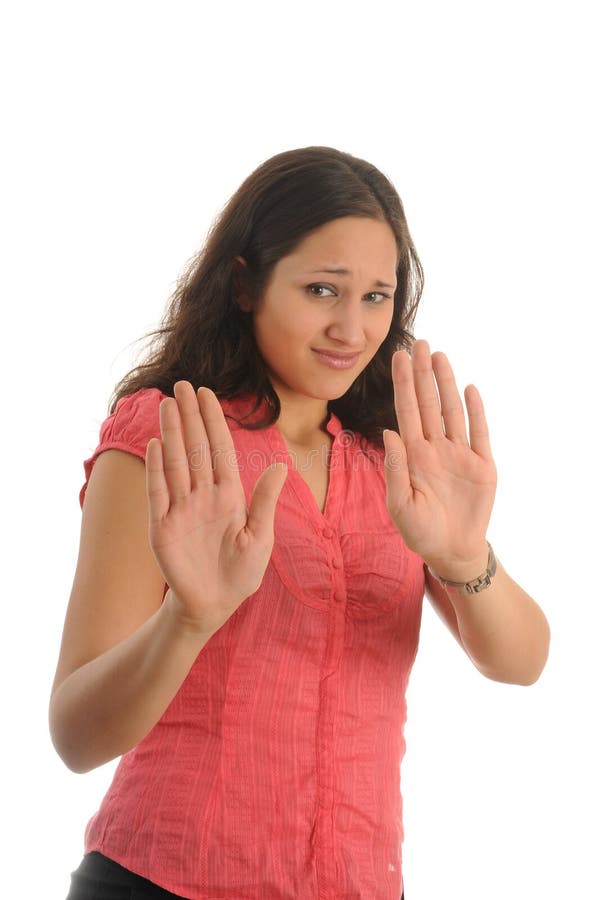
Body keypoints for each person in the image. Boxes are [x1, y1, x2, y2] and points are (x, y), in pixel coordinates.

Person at [49, 145, 551, 900]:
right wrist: (188, 620)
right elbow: (76, 737)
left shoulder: (395, 461)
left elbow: (524, 662)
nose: (352, 328)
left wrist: (463, 555)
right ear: (246, 283)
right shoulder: (170, 434)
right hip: (166, 882)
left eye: (378, 297)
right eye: (323, 289)